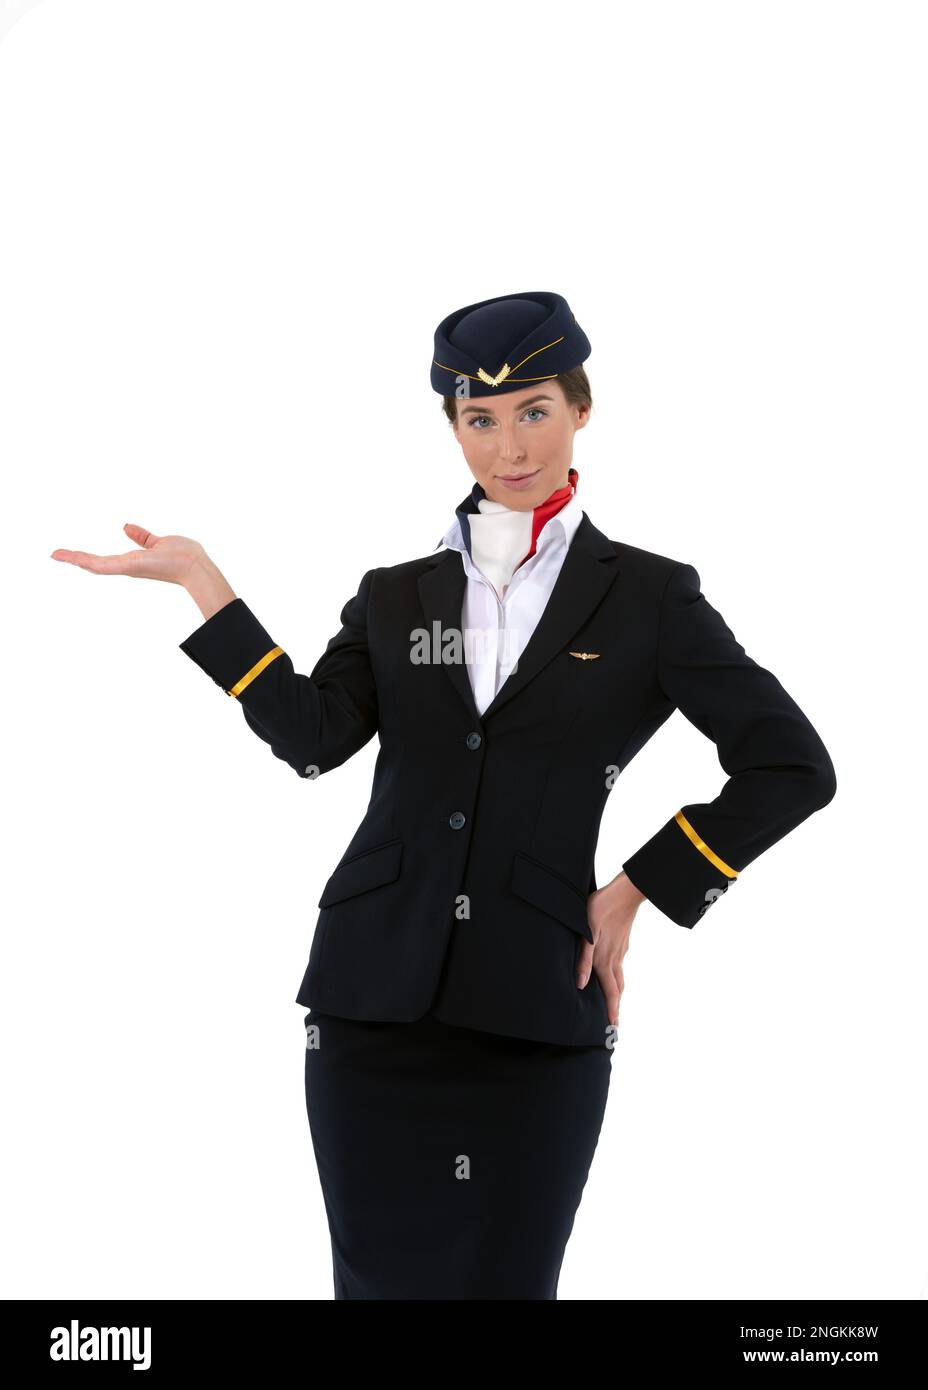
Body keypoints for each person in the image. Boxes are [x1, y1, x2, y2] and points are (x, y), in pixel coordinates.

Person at [50, 289, 837, 1300]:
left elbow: (792, 766)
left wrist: (636, 887)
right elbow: (312, 737)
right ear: (452, 426)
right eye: (480, 418)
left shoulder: (649, 598)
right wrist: (208, 586)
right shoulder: (395, 596)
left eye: (534, 411)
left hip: (537, 1009)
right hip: (368, 1008)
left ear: (580, 409)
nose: (509, 446)